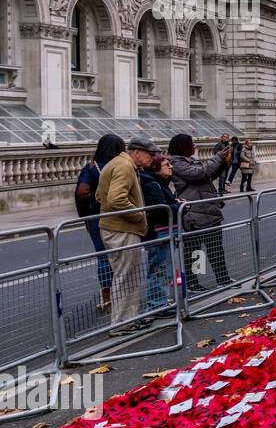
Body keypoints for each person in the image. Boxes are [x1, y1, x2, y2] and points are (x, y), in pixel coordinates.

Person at [96, 137, 159, 329]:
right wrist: (139, 215)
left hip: (120, 228)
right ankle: (120, 324)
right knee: (125, 276)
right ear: (137, 152)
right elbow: (116, 199)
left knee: (131, 276)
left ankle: (129, 319)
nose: (153, 159)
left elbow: (100, 195)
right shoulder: (124, 166)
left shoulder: (120, 164)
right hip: (121, 229)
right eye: (150, 154)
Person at [168, 133, 233, 292]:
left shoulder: (188, 161)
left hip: (207, 209)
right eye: (192, 143)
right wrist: (218, 157)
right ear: (183, 146)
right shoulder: (176, 163)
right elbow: (199, 174)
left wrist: (224, 163)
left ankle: (223, 279)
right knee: (195, 250)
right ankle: (193, 283)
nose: (195, 146)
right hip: (194, 212)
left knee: (215, 248)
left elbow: (208, 175)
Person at [76, 134, 126, 313]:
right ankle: (122, 293)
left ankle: (107, 296)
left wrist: (88, 214)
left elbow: (82, 192)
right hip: (120, 216)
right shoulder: (121, 166)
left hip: (97, 218)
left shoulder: (91, 168)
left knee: (103, 256)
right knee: (122, 256)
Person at [138, 154, 181, 312]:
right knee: (160, 271)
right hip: (158, 234)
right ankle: (157, 306)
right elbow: (161, 211)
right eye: (166, 164)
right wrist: (180, 207)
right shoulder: (152, 184)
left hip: (164, 233)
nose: (170, 167)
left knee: (166, 271)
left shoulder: (158, 183)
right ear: (156, 168)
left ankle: (161, 302)